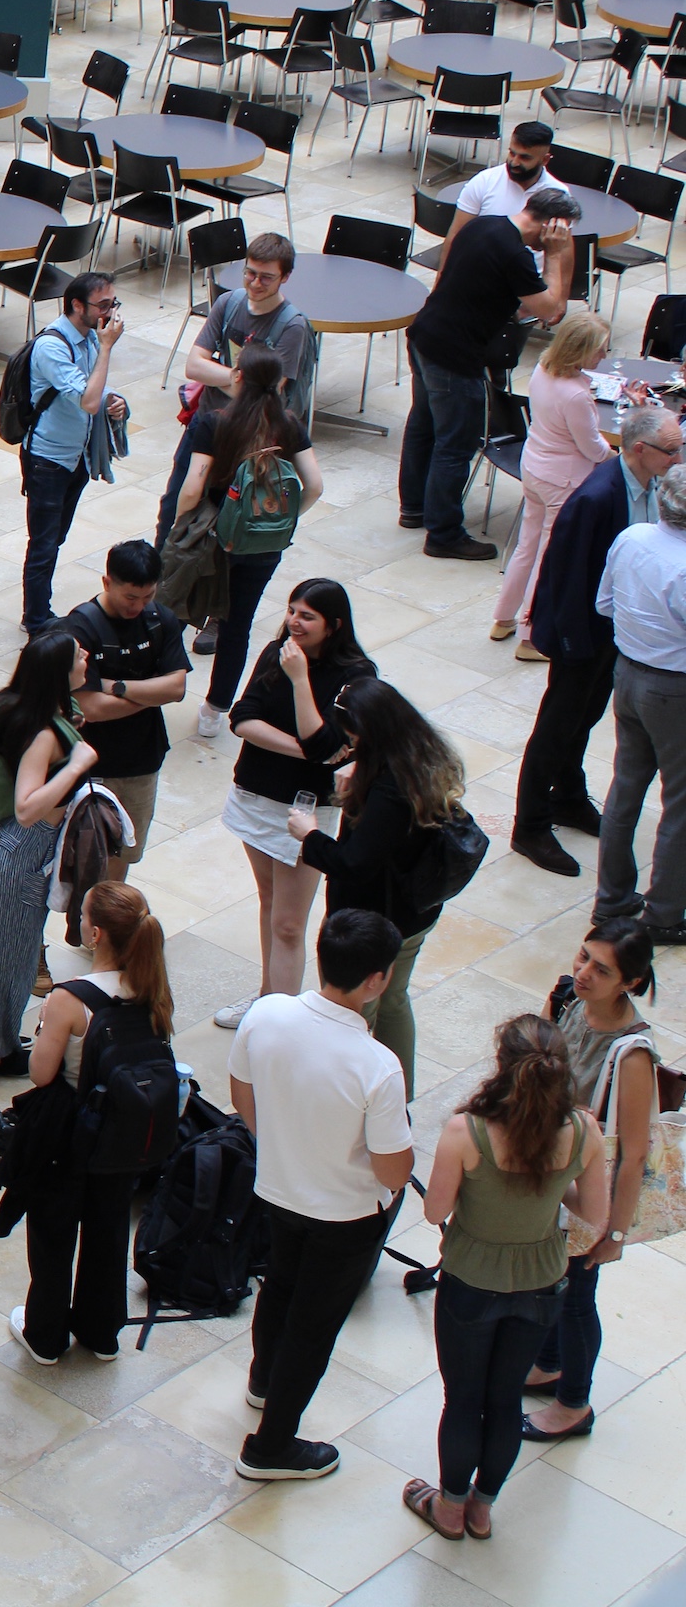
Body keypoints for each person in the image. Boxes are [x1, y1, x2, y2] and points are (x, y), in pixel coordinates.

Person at [228, 908, 413, 1482]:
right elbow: (391, 1173)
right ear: (377, 980)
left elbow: (242, 1097)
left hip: (278, 1190)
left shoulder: (267, 1014)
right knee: (314, 1325)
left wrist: (285, 1145)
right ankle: (272, 1445)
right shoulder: (378, 1066)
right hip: (346, 1214)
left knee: (279, 1288)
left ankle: (263, 1381)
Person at [411, 1013, 612, 1540]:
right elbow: (594, 1212)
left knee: (463, 1399)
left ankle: (449, 1507)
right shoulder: (584, 1130)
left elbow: (435, 1211)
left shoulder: (467, 1130)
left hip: (470, 1283)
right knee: (504, 1401)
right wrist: (559, 1181)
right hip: (541, 1285)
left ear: (502, 1066)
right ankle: (481, 1508)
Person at [514, 411, 683, 878]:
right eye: (672, 449)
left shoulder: (651, 487)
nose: (679, 457)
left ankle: (568, 798)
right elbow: (563, 575)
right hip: (581, 634)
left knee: (585, 718)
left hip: (615, 631)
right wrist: (571, 643)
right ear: (640, 449)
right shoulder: (597, 496)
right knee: (556, 726)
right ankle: (529, 826)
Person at [15, 882, 173, 1361]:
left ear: (97, 933)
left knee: (53, 1234)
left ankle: (45, 1335)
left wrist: (45, 1025)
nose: (78, 921)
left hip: (71, 1135)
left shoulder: (69, 998)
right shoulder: (152, 989)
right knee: (108, 1234)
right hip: (124, 1134)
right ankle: (102, 1334)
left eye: (83, 915)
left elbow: (42, 1074)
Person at [290, 679, 465, 1096]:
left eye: (352, 736)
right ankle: (398, 1093)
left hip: (380, 921)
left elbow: (354, 864)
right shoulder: (423, 757)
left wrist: (309, 835)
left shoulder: (391, 790)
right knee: (396, 998)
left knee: (357, 1010)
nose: (349, 745)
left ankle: (356, 1094)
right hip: (415, 913)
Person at [216, 580, 377, 1028]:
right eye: (291, 611)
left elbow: (330, 741)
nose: (293, 622)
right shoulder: (277, 652)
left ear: (334, 624)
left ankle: (280, 1024)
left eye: (307, 616)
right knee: (269, 900)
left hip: (303, 810)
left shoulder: (357, 675)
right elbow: (243, 718)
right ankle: (269, 997)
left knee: (289, 923)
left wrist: (301, 679)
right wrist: (307, 750)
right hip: (254, 794)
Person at [525, 921, 659, 1444]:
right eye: (583, 957)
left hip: (587, 1189)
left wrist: (615, 1232)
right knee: (553, 1284)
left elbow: (633, 1153)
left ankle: (573, 1404)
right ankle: (550, 1363)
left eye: (601, 969)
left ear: (629, 981)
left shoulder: (633, 1054)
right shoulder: (565, 998)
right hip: (552, 1173)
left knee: (578, 1293)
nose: (582, 972)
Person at [403, 183, 576, 561]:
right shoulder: (516, 256)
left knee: (424, 425)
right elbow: (550, 309)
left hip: (423, 336)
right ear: (553, 225)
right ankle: (443, 534)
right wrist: (557, 254)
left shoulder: (485, 226)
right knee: (455, 444)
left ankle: (413, 509)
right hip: (453, 356)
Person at [0, 628, 97, 1076]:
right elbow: (25, 807)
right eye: (79, 655)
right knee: (11, 954)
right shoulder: (45, 734)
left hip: (1, 843)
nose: (87, 657)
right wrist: (75, 764)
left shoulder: (17, 705)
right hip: (24, 847)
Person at [176, 343, 326, 735]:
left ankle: (158, 682)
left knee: (176, 607)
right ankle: (215, 710)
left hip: (214, 539)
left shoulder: (216, 423)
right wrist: (284, 523)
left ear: (237, 376)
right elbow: (314, 486)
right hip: (263, 545)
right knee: (236, 624)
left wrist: (180, 528)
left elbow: (193, 487)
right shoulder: (290, 425)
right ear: (278, 383)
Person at [164, 231, 316, 551]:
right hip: (204, 424)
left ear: (285, 277)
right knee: (172, 507)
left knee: (232, 520)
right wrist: (240, 380)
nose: (255, 283)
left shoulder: (292, 326)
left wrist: (224, 377)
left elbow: (268, 393)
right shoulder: (228, 303)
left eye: (266, 277)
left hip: (248, 441)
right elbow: (193, 366)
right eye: (250, 273)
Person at [63, 543, 192, 882]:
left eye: (147, 596)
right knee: (81, 862)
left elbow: (177, 688)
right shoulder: (80, 628)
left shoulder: (159, 619)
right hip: (90, 766)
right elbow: (92, 708)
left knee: (122, 859)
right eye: (130, 597)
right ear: (107, 583)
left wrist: (117, 687)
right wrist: (152, 693)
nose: (139, 606)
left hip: (142, 763)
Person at [597, 467, 686, 941]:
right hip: (673, 688)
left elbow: (605, 603)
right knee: (681, 802)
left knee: (626, 786)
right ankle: (665, 914)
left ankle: (610, 899)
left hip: (627, 673)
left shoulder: (632, 538)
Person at [498, 310, 618, 648]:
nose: (603, 356)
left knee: (526, 546)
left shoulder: (541, 369)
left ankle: (504, 616)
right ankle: (530, 634)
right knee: (548, 556)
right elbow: (593, 448)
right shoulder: (576, 395)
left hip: (534, 467)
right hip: (561, 480)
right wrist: (617, 458)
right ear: (580, 350)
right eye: (599, 349)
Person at [19, 271, 127, 633]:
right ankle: (36, 619)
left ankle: (38, 610)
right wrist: (108, 348)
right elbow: (88, 400)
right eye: (103, 305)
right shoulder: (52, 346)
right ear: (77, 305)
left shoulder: (88, 338)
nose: (109, 313)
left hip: (76, 456)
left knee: (55, 537)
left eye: (113, 303)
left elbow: (97, 387)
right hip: (48, 460)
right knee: (44, 543)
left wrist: (117, 400)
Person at [440, 123, 559, 254]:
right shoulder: (485, 181)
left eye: (525, 157)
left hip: (533, 272)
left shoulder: (557, 194)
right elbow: (456, 235)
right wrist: (443, 273)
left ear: (545, 160)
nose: (514, 162)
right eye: (512, 153)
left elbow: (563, 248)